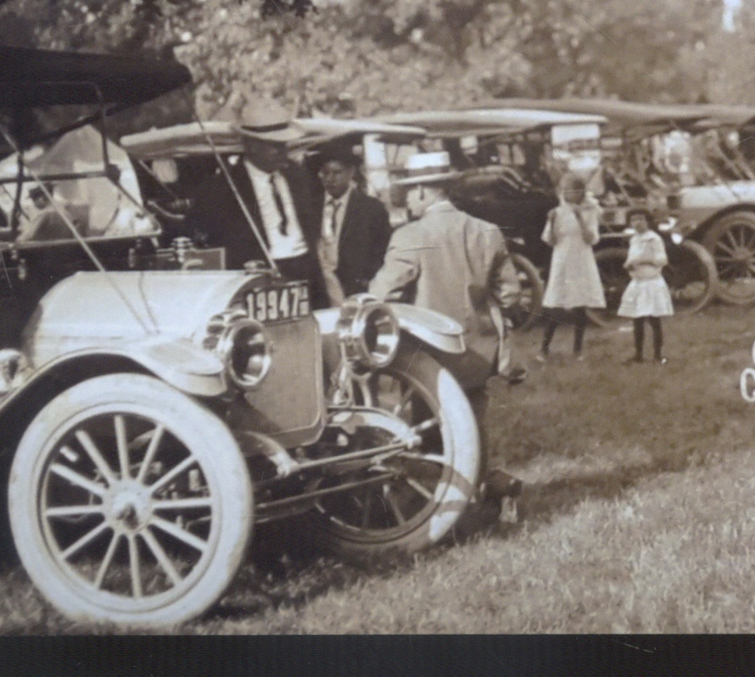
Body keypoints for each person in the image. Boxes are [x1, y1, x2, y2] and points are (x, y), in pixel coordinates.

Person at [367, 150, 526, 520]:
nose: (406, 199)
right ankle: (484, 488)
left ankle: (446, 500)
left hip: (429, 355)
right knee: (473, 417)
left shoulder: (411, 236)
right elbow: (511, 293)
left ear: (424, 191)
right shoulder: (486, 231)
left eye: (409, 191)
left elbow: (382, 294)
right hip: (479, 349)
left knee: (433, 426)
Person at [188, 100, 327, 307]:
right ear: (251, 145)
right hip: (261, 281)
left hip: (306, 273)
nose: (283, 150)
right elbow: (203, 237)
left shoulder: (300, 177)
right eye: (275, 144)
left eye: (284, 143)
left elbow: (314, 227)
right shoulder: (222, 188)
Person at [310, 146, 392, 305]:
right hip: (320, 290)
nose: (330, 179)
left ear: (351, 172)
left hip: (356, 290)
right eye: (325, 173)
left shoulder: (371, 208)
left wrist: (367, 279)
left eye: (337, 172)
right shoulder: (310, 207)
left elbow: (383, 248)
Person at [538, 175, 603, 361]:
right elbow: (550, 240)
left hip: (581, 257)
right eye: (564, 190)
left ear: (580, 192)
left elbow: (591, 239)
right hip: (562, 258)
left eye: (571, 191)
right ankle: (544, 349)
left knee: (579, 305)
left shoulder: (590, 210)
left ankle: (578, 350)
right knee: (556, 305)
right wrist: (550, 222)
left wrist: (579, 217)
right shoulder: (558, 212)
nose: (566, 194)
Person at [617, 208, 672, 364]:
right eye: (634, 220)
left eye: (641, 219)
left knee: (654, 320)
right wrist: (629, 265)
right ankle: (638, 354)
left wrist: (646, 260)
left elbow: (662, 259)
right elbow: (631, 258)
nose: (638, 223)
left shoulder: (653, 239)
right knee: (637, 320)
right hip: (638, 282)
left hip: (652, 282)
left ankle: (658, 355)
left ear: (648, 221)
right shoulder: (634, 239)